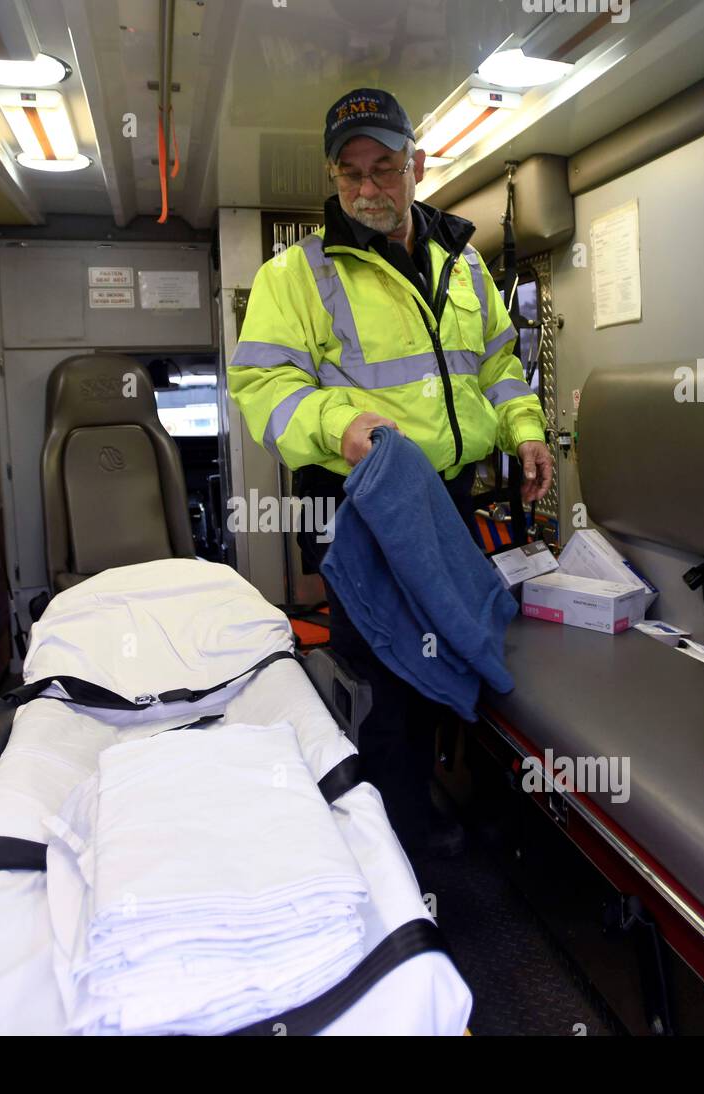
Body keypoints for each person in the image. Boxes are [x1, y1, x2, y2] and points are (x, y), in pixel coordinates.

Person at [228, 87, 553, 859]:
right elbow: (263, 389)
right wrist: (340, 425)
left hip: (449, 498)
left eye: (384, 167)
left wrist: (527, 427)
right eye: (351, 174)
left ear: (417, 163)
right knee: (382, 684)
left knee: (455, 649)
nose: (369, 188)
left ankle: (465, 818)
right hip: (361, 506)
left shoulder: (463, 261)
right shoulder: (295, 275)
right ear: (332, 177)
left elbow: (500, 364)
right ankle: (396, 854)